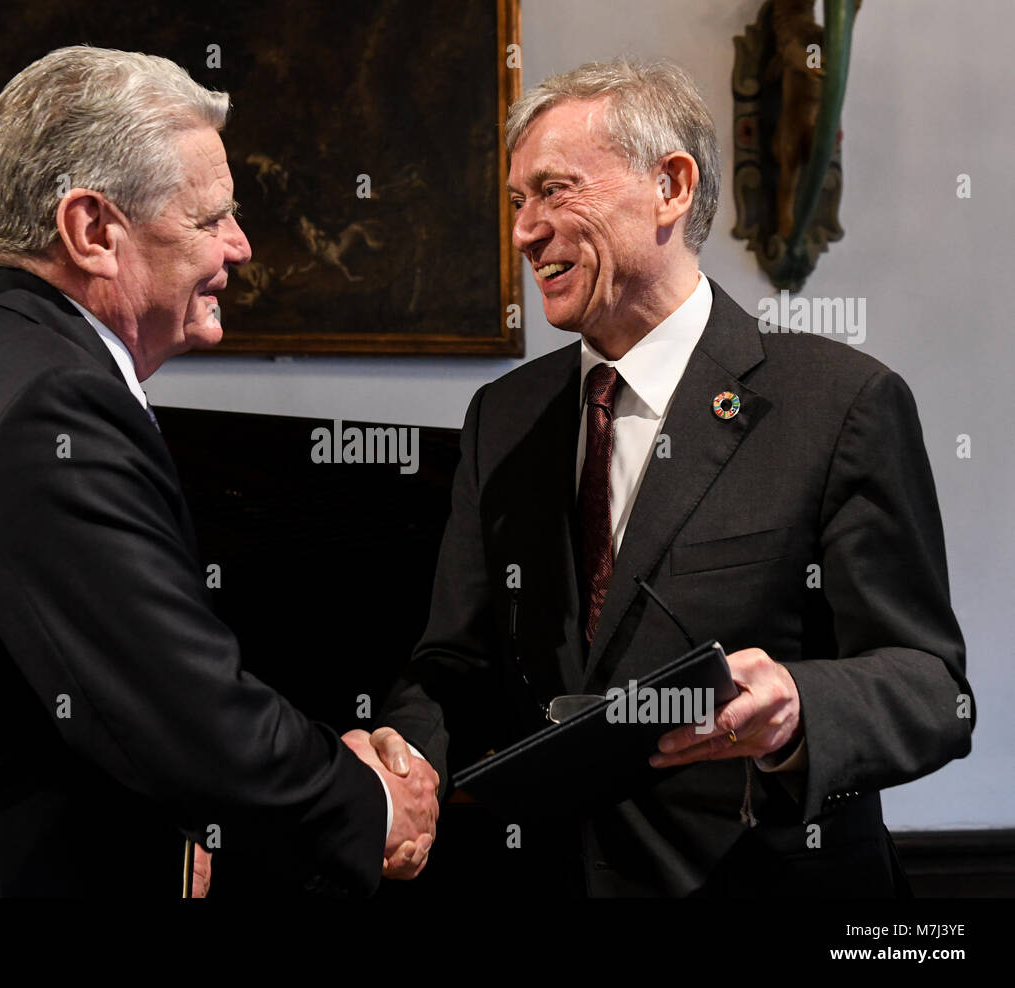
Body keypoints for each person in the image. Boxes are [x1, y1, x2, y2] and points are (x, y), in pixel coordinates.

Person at [0, 46, 437, 898]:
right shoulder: (54, 404)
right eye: (211, 218)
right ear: (93, 231)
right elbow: (181, 716)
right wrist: (364, 801)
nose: (242, 247)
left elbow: (66, 699)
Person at [369, 58, 972, 895]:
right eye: (516, 203)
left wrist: (797, 705)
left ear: (671, 187)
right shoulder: (501, 418)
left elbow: (933, 690)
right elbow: (450, 664)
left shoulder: (839, 404)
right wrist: (403, 760)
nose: (523, 232)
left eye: (554, 191)